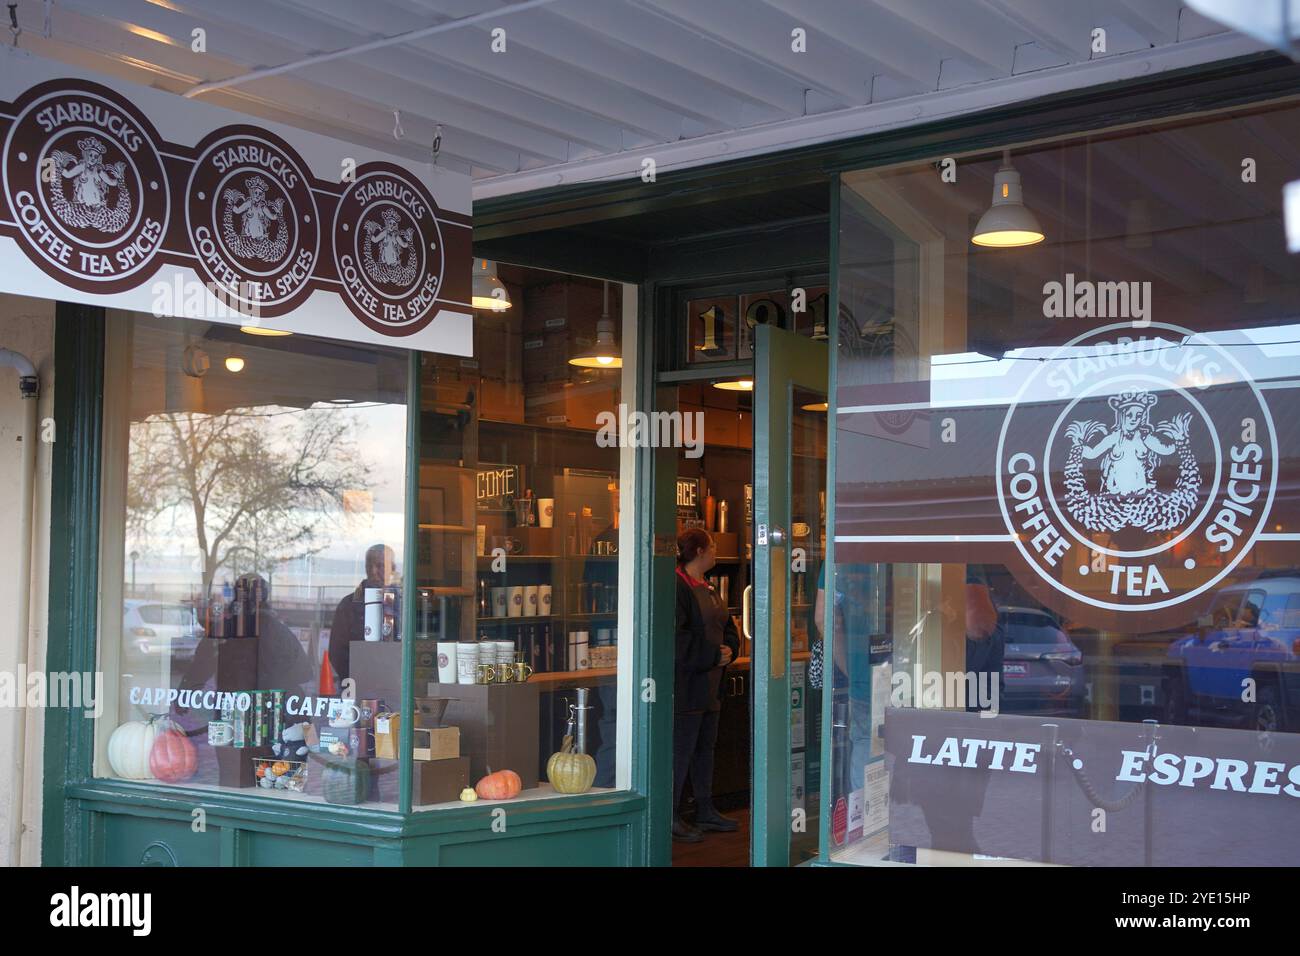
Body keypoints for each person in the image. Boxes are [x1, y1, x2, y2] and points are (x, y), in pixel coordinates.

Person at [673, 528, 741, 843]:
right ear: (699, 551)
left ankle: (704, 808)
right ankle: (671, 813)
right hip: (688, 685)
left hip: (713, 684)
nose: (715, 551)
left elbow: (726, 625)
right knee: (681, 751)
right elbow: (678, 639)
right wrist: (715, 655)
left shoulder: (709, 587)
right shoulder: (678, 587)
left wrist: (731, 648)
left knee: (705, 750)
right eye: (712, 547)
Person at [328, 544, 396, 684]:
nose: (373, 571)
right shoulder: (348, 605)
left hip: (396, 684)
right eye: (369, 566)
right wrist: (356, 679)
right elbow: (337, 653)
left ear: (392, 568)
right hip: (358, 685)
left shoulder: (402, 602)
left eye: (380, 565)